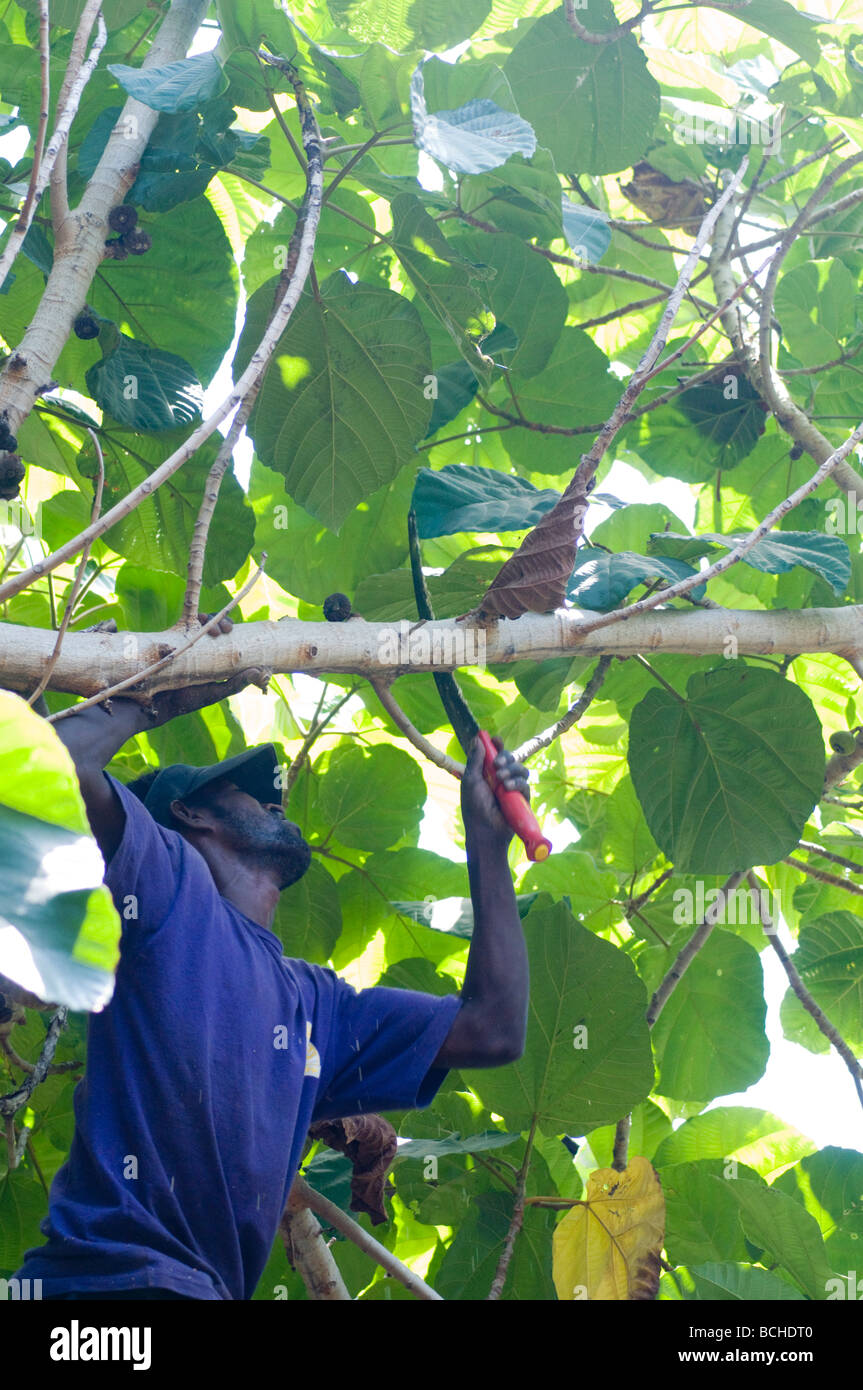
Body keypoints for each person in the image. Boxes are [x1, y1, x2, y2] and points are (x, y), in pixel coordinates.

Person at [14, 651, 530, 1301]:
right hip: (101, 1288)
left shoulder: (317, 1005)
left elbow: (491, 1030)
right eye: (248, 790)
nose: (275, 799)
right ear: (190, 815)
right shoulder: (168, 883)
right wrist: (145, 689)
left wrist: (488, 844)